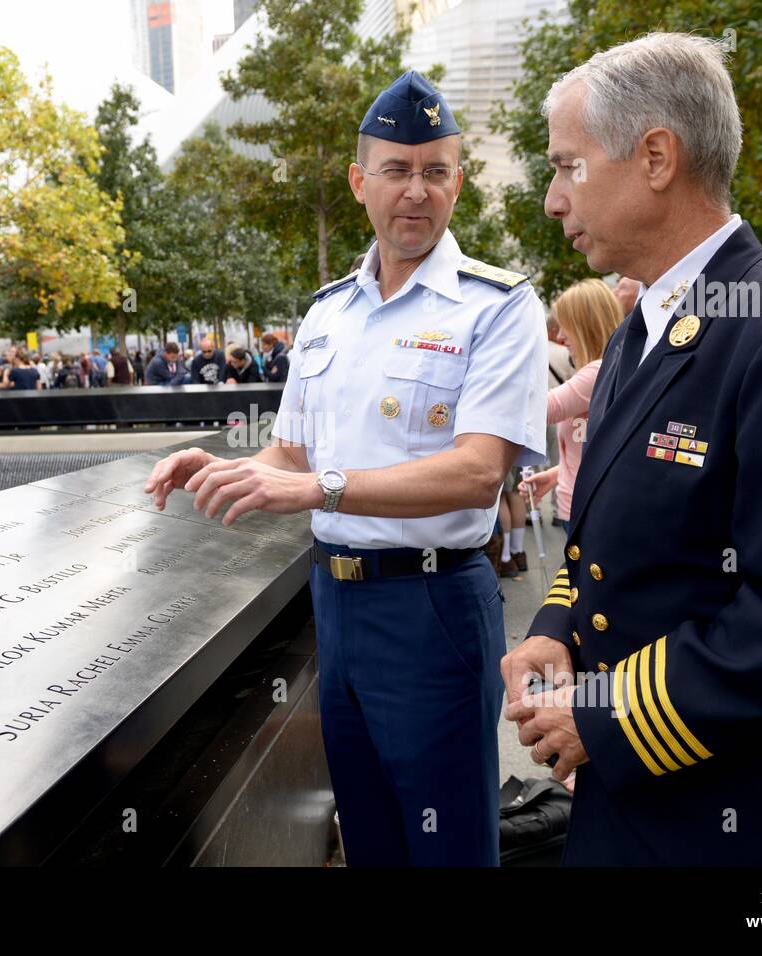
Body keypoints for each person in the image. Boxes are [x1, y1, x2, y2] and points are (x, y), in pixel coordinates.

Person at [500, 33, 762, 866]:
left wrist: (603, 714)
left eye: (568, 166)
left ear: (655, 158)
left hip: (740, 821)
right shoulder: (647, 326)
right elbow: (613, 538)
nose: (551, 199)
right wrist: (556, 628)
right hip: (624, 804)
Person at [144, 69, 547, 866]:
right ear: (360, 181)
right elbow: (292, 451)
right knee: (369, 842)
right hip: (337, 604)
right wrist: (221, 468)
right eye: (397, 170)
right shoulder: (329, 311)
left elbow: (476, 475)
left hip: (433, 606)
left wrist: (314, 487)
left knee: (450, 851)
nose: (417, 191)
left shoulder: (498, 307)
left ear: (458, 183)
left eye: (436, 170)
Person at [519, 278, 623, 523]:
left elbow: (543, 410)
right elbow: (589, 452)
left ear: (586, 326)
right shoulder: (607, 367)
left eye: (566, 326)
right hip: (583, 506)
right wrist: (556, 475)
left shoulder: (598, 370)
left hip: (583, 510)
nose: (561, 336)